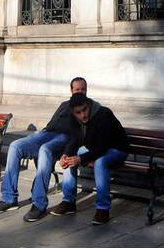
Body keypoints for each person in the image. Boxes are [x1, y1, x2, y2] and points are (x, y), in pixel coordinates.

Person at [0, 76, 98, 222]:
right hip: (47, 133)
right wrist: (40, 134)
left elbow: (81, 133)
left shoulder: (90, 107)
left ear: (87, 90)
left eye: (83, 89)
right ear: (71, 90)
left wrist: (68, 150)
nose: (79, 92)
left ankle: (39, 204)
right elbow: (52, 123)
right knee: (15, 146)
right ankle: (9, 198)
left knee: (45, 150)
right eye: (76, 89)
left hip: (65, 138)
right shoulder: (64, 104)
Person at [53, 93, 129, 225]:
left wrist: (80, 159)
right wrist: (65, 154)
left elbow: (102, 148)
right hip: (95, 148)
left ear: (89, 105)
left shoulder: (103, 114)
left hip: (117, 149)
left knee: (100, 162)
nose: (83, 115)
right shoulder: (73, 118)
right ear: (73, 112)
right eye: (78, 112)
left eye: (85, 110)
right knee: (70, 158)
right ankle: (68, 201)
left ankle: (102, 208)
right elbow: (74, 139)